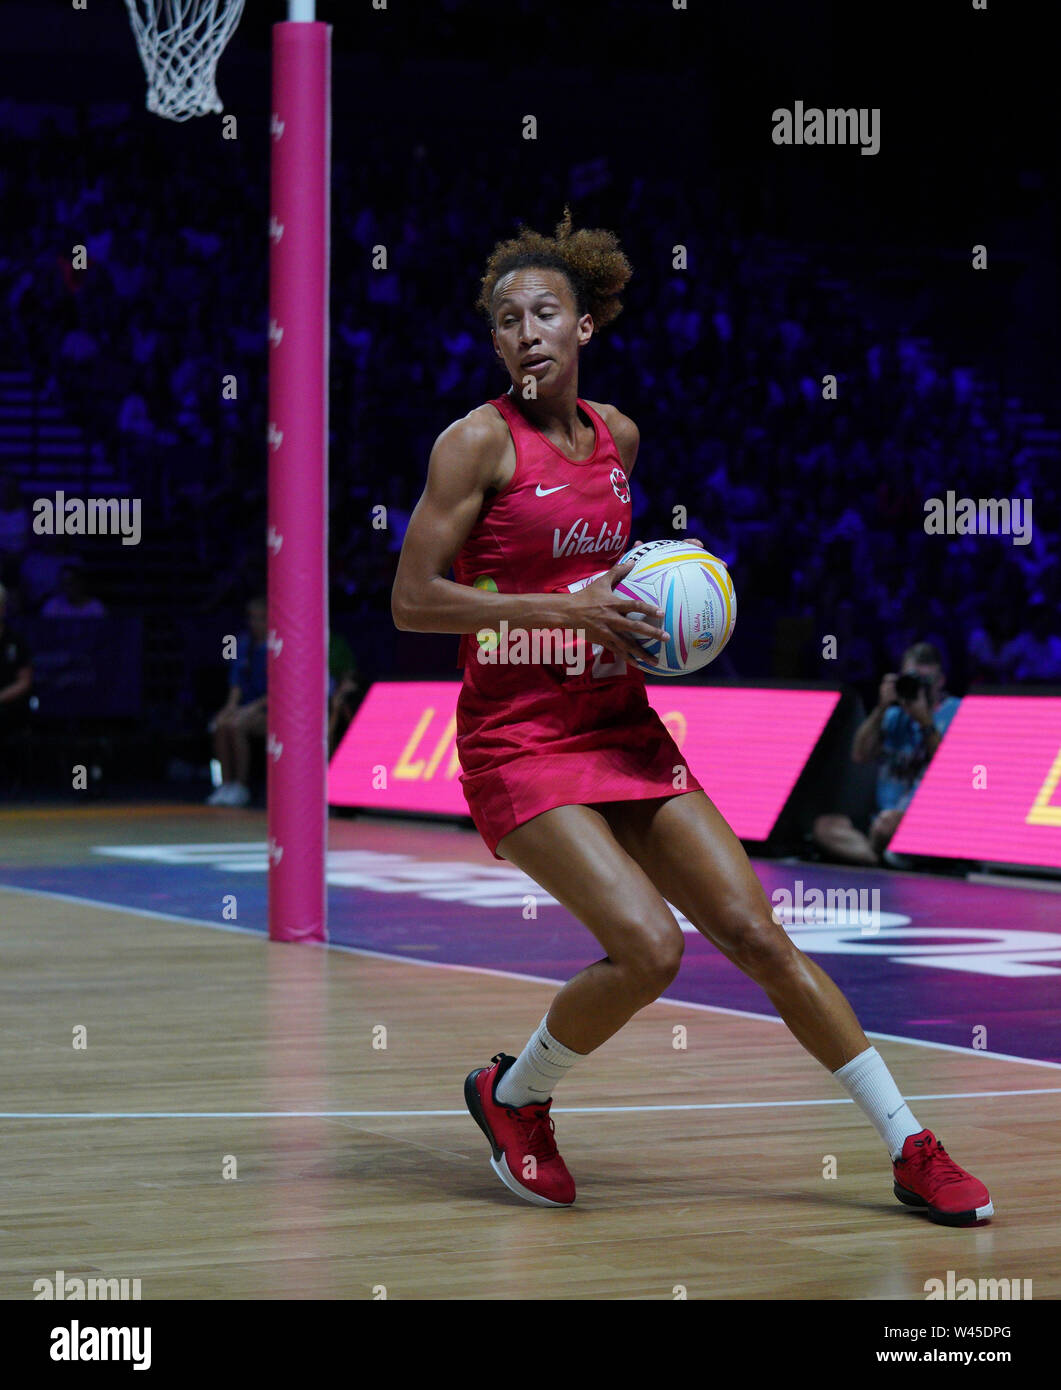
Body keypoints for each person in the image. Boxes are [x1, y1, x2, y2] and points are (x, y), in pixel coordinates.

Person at [390, 209, 991, 1224]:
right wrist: (559, 609)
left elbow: (607, 580)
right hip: (517, 739)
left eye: (545, 311)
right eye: (506, 319)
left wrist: (654, 607)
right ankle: (516, 1094)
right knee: (649, 947)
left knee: (756, 931)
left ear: (583, 327)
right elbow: (412, 599)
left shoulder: (618, 437)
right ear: (493, 342)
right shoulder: (474, 444)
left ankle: (909, 1144)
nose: (526, 330)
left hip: (619, 725)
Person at [206, 595, 268, 807]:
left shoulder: (279, 647)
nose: (255, 623)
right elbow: (236, 683)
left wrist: (250, 710)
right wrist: (229, 708)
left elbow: (279, 691)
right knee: (220, 724)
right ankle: (226, 785)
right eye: (252, 618)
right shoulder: (239, 643)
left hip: (269, 711)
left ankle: (241, 787)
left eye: (260, 618)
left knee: (237, 725)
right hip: (246, 708)